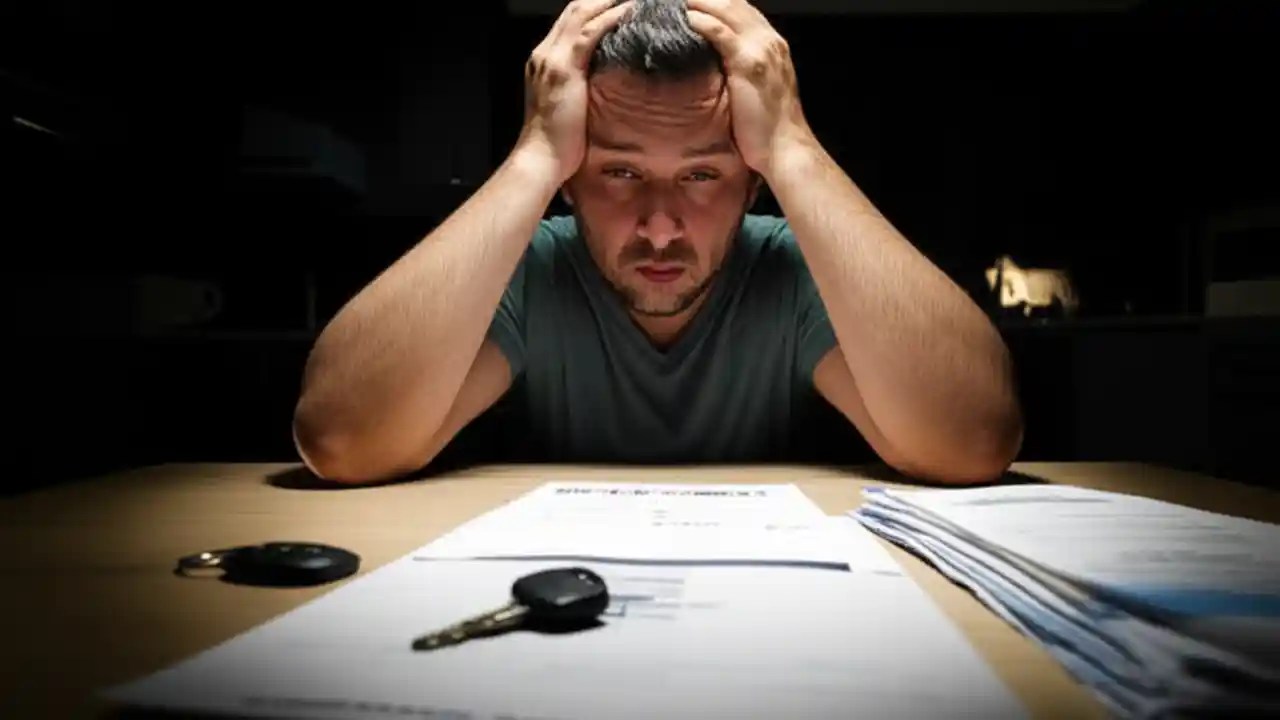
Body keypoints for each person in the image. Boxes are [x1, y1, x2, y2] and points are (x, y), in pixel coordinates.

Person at [291, 0, 1024, 486]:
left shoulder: (796, 272)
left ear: (754, 182)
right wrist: (532, 158)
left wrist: (795, 146)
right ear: (572, 177)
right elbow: (343, 440)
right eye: (619, 171)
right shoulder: (528, 270)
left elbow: (972, 442)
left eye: (704, 173)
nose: (662, 227)